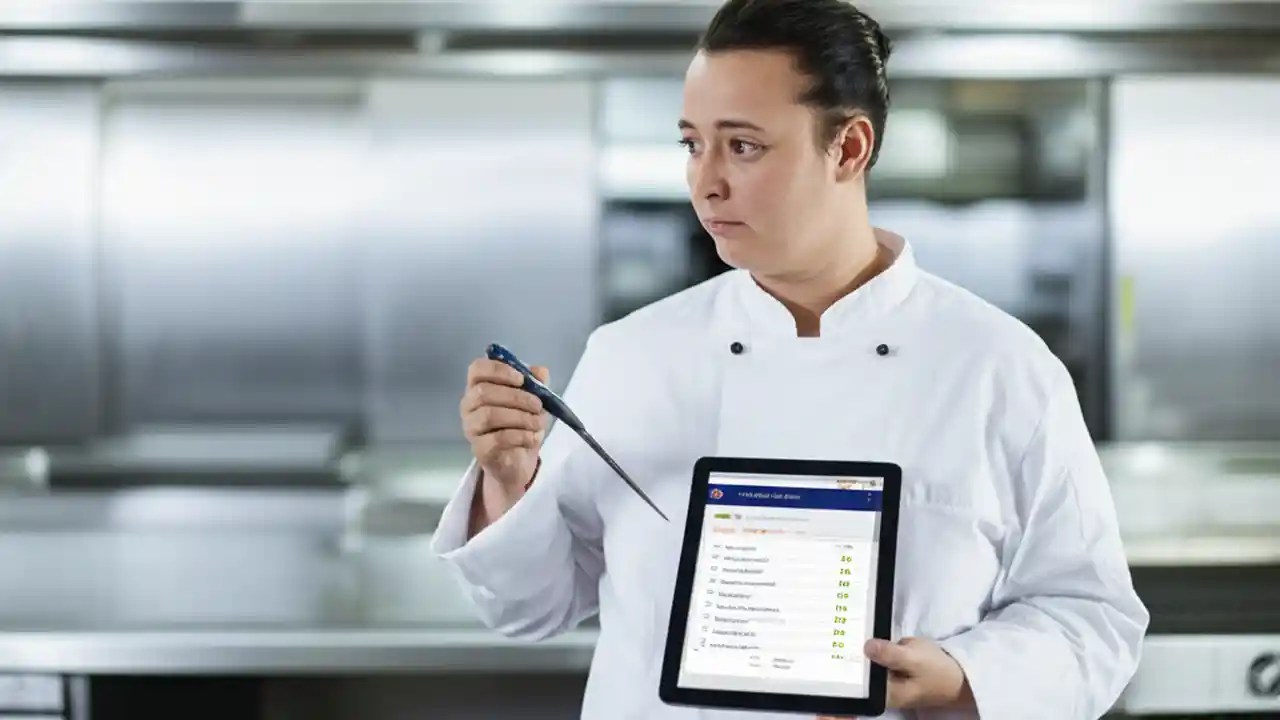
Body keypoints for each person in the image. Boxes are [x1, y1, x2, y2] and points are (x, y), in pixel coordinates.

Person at [431, 0, 1149, 717]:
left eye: (742, 146)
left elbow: (1092, 619)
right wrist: (510, 478)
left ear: (849, 148)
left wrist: (960, 675)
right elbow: (528, 610)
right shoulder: (633, 356)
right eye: (692, 144)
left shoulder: (1000, 366)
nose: (705, 182)